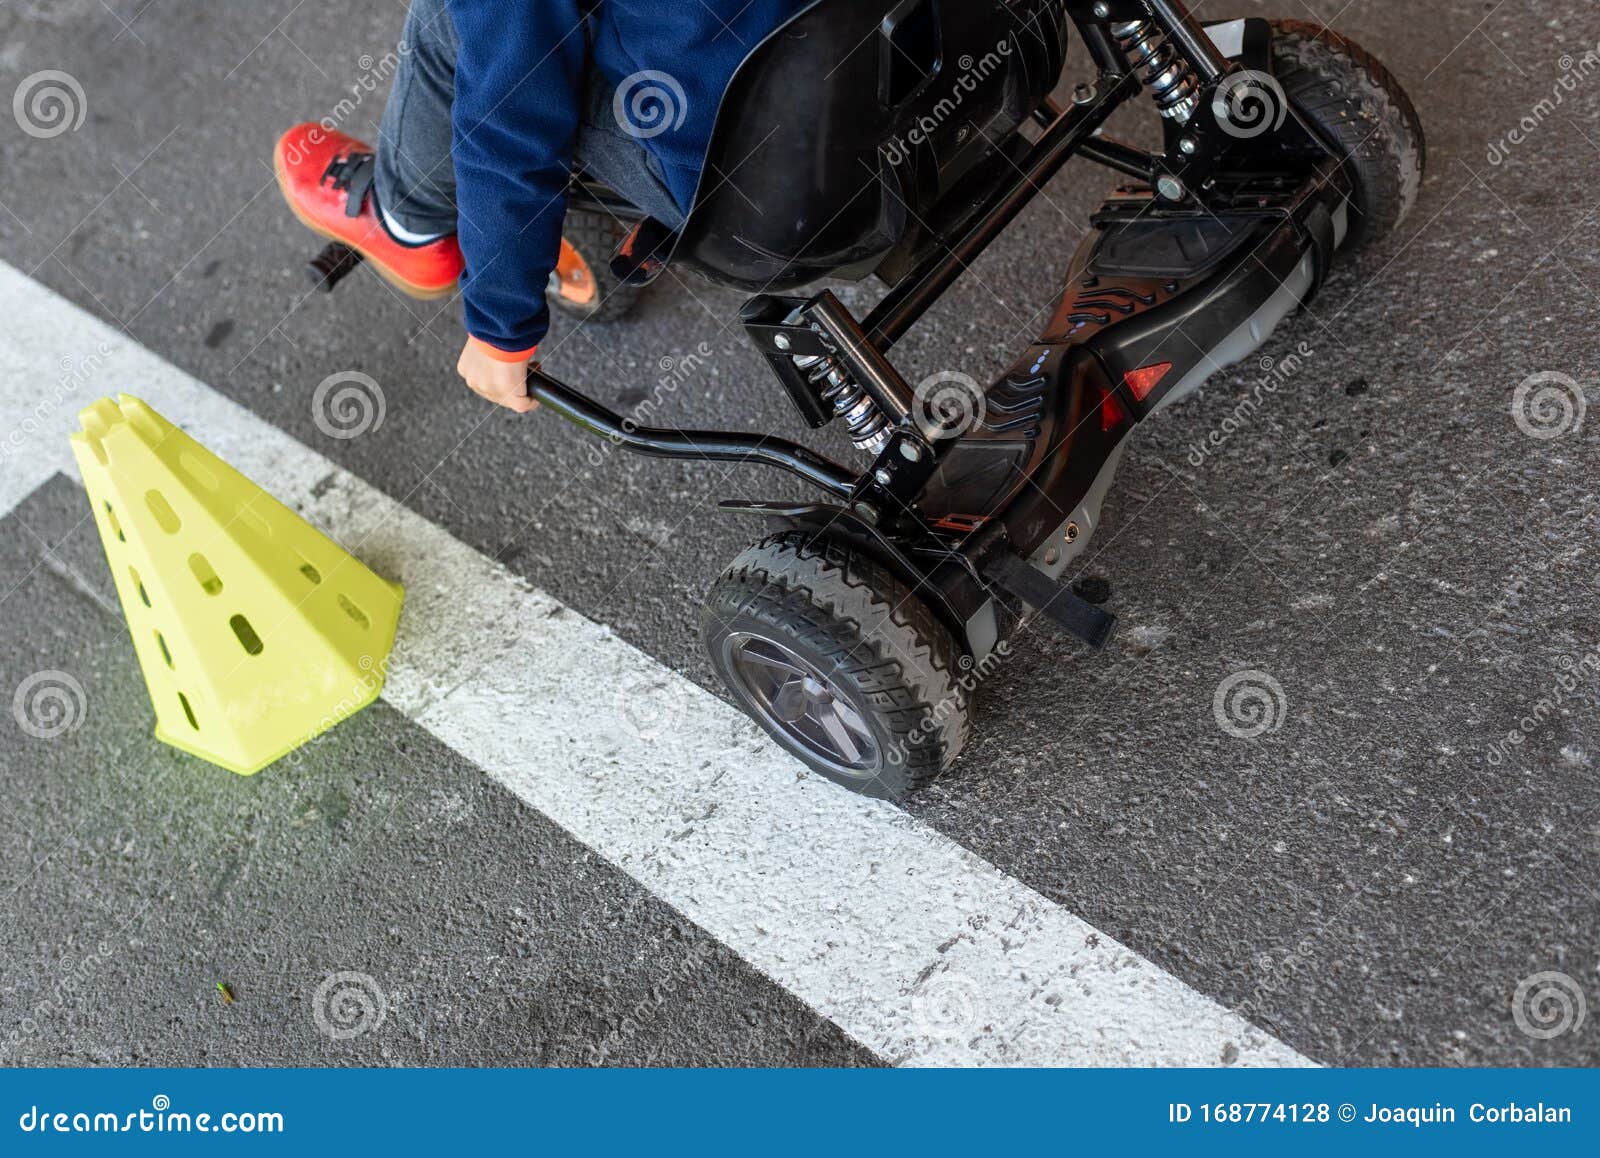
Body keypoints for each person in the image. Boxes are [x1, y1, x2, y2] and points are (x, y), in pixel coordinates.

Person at [274, 0, 805, 413]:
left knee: (466, 25)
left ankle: (405, 220)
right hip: (863, 123)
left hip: (739, 181)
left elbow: (509, 120)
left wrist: (499, 331)